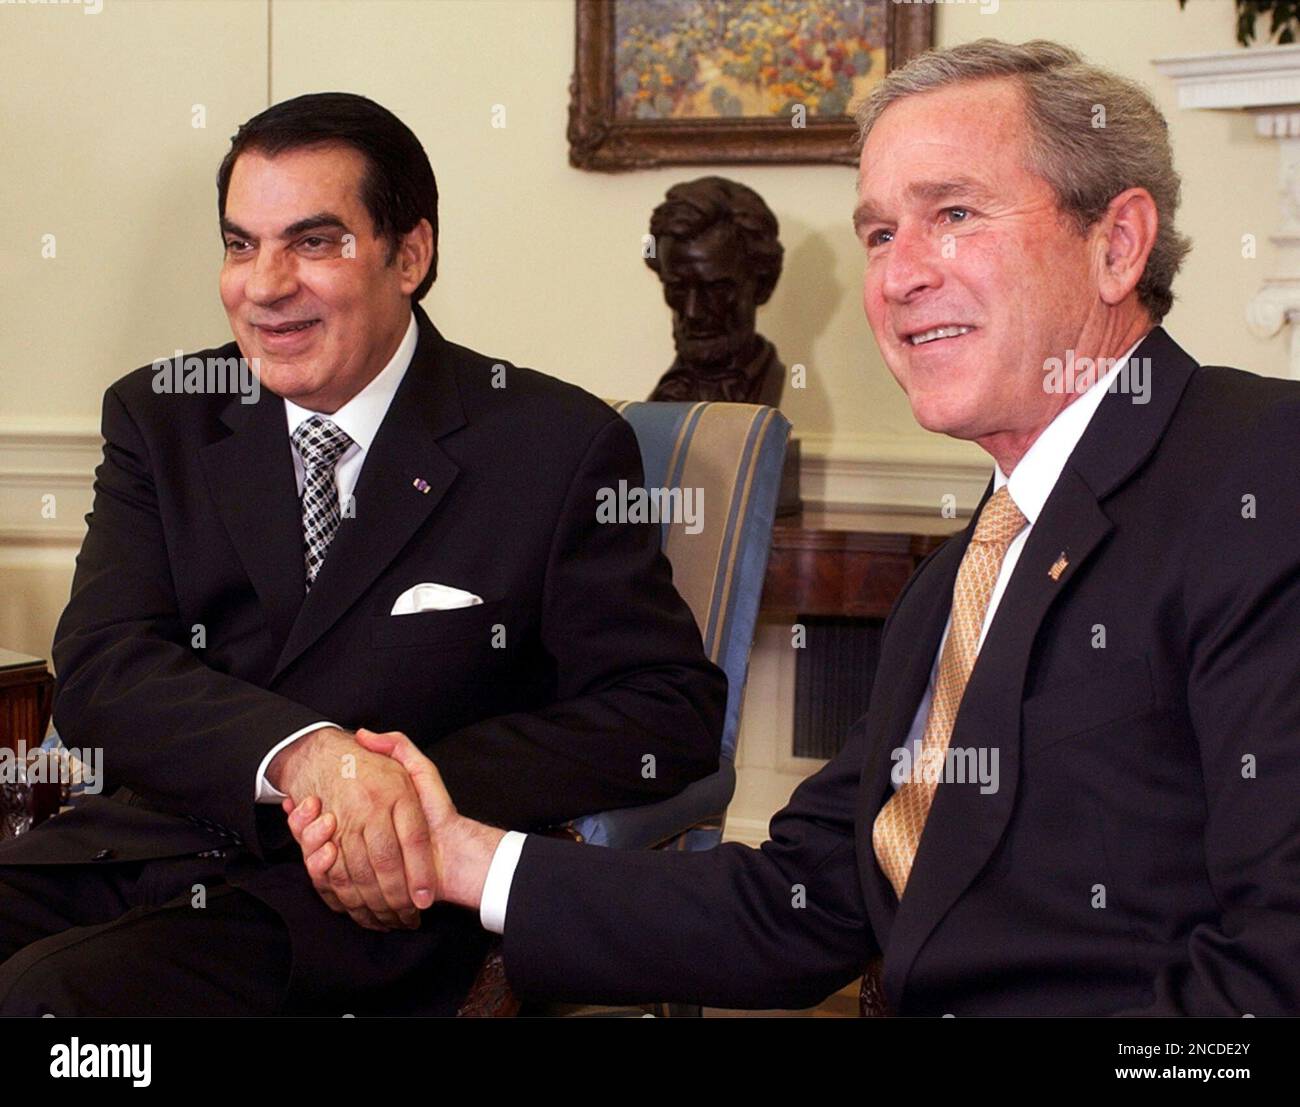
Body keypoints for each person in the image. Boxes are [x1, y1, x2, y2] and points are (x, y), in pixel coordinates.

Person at [289, 40, 1300, 1016]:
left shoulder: (1263, 473)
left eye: (952, 213)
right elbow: (796, 904)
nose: (898, 276)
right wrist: (458, 856)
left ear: (1116, 244)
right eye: (879, 234)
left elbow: (1276, 969)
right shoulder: (958, 581)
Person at [0, 92, 725, 1016]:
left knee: (53, 1000)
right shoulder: (162, 415)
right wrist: (309, 758)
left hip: (362, 906)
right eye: (240, 245)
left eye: (313, 242)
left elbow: (667, 708)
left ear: (409, 255)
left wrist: (399, 794)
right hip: (140, 846)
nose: (264, 285)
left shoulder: (551, 445)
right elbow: (104, 667)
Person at [646, 177, 786, 407]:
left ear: (763, 285)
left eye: (716, 289)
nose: (692, 312)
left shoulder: (783, 383)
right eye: (677, 288)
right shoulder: (664, 396)